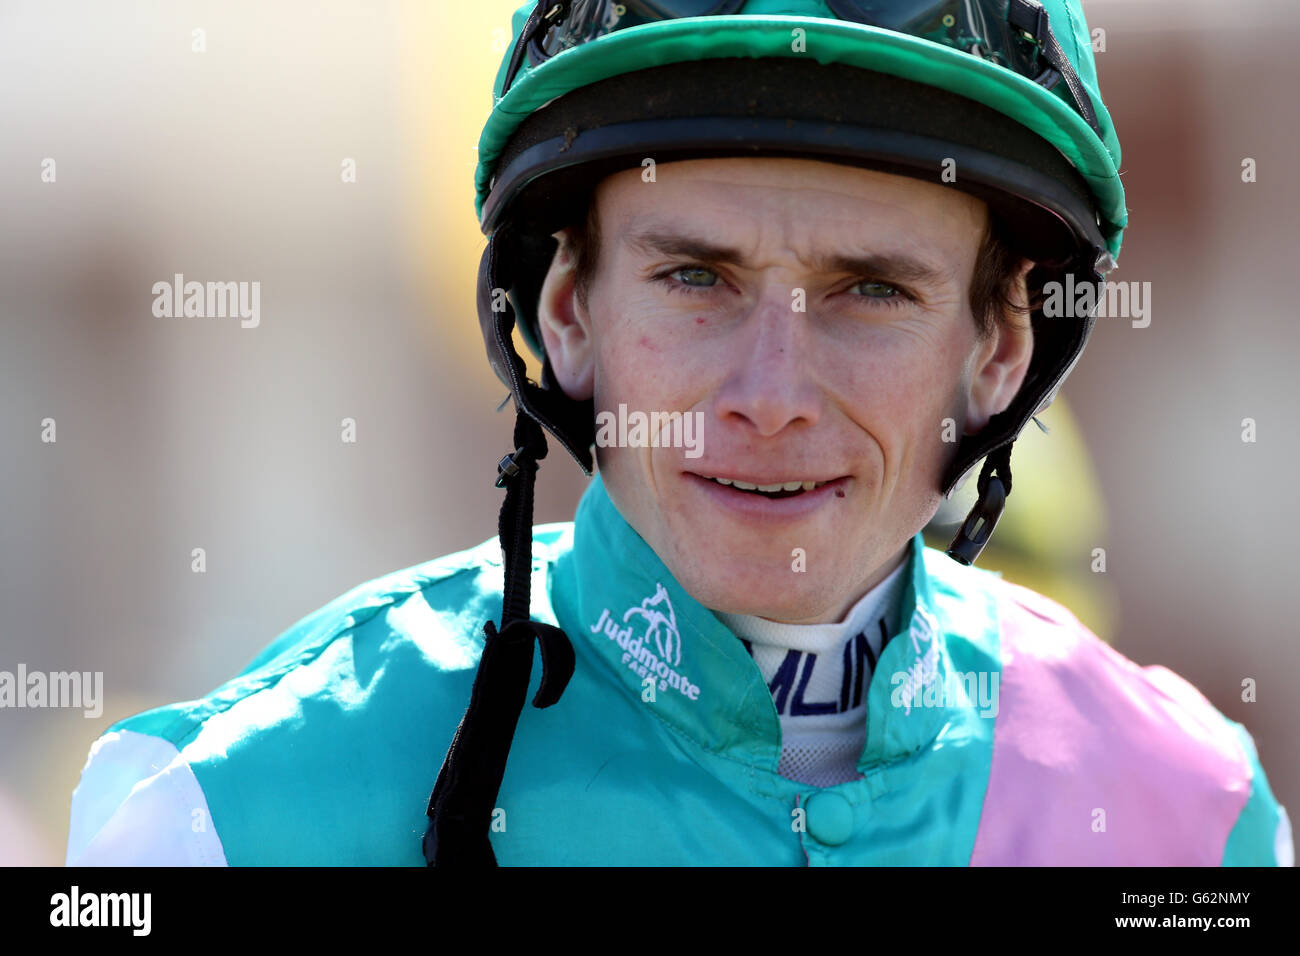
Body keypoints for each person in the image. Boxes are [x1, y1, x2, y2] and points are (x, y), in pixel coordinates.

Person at [67, 0, 1290, 866]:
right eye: (697, 277)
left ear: (1000, 351)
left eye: (870, 289)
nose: (771, 392)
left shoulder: (1193, 812)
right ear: (566, 315)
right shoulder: (229, 814)